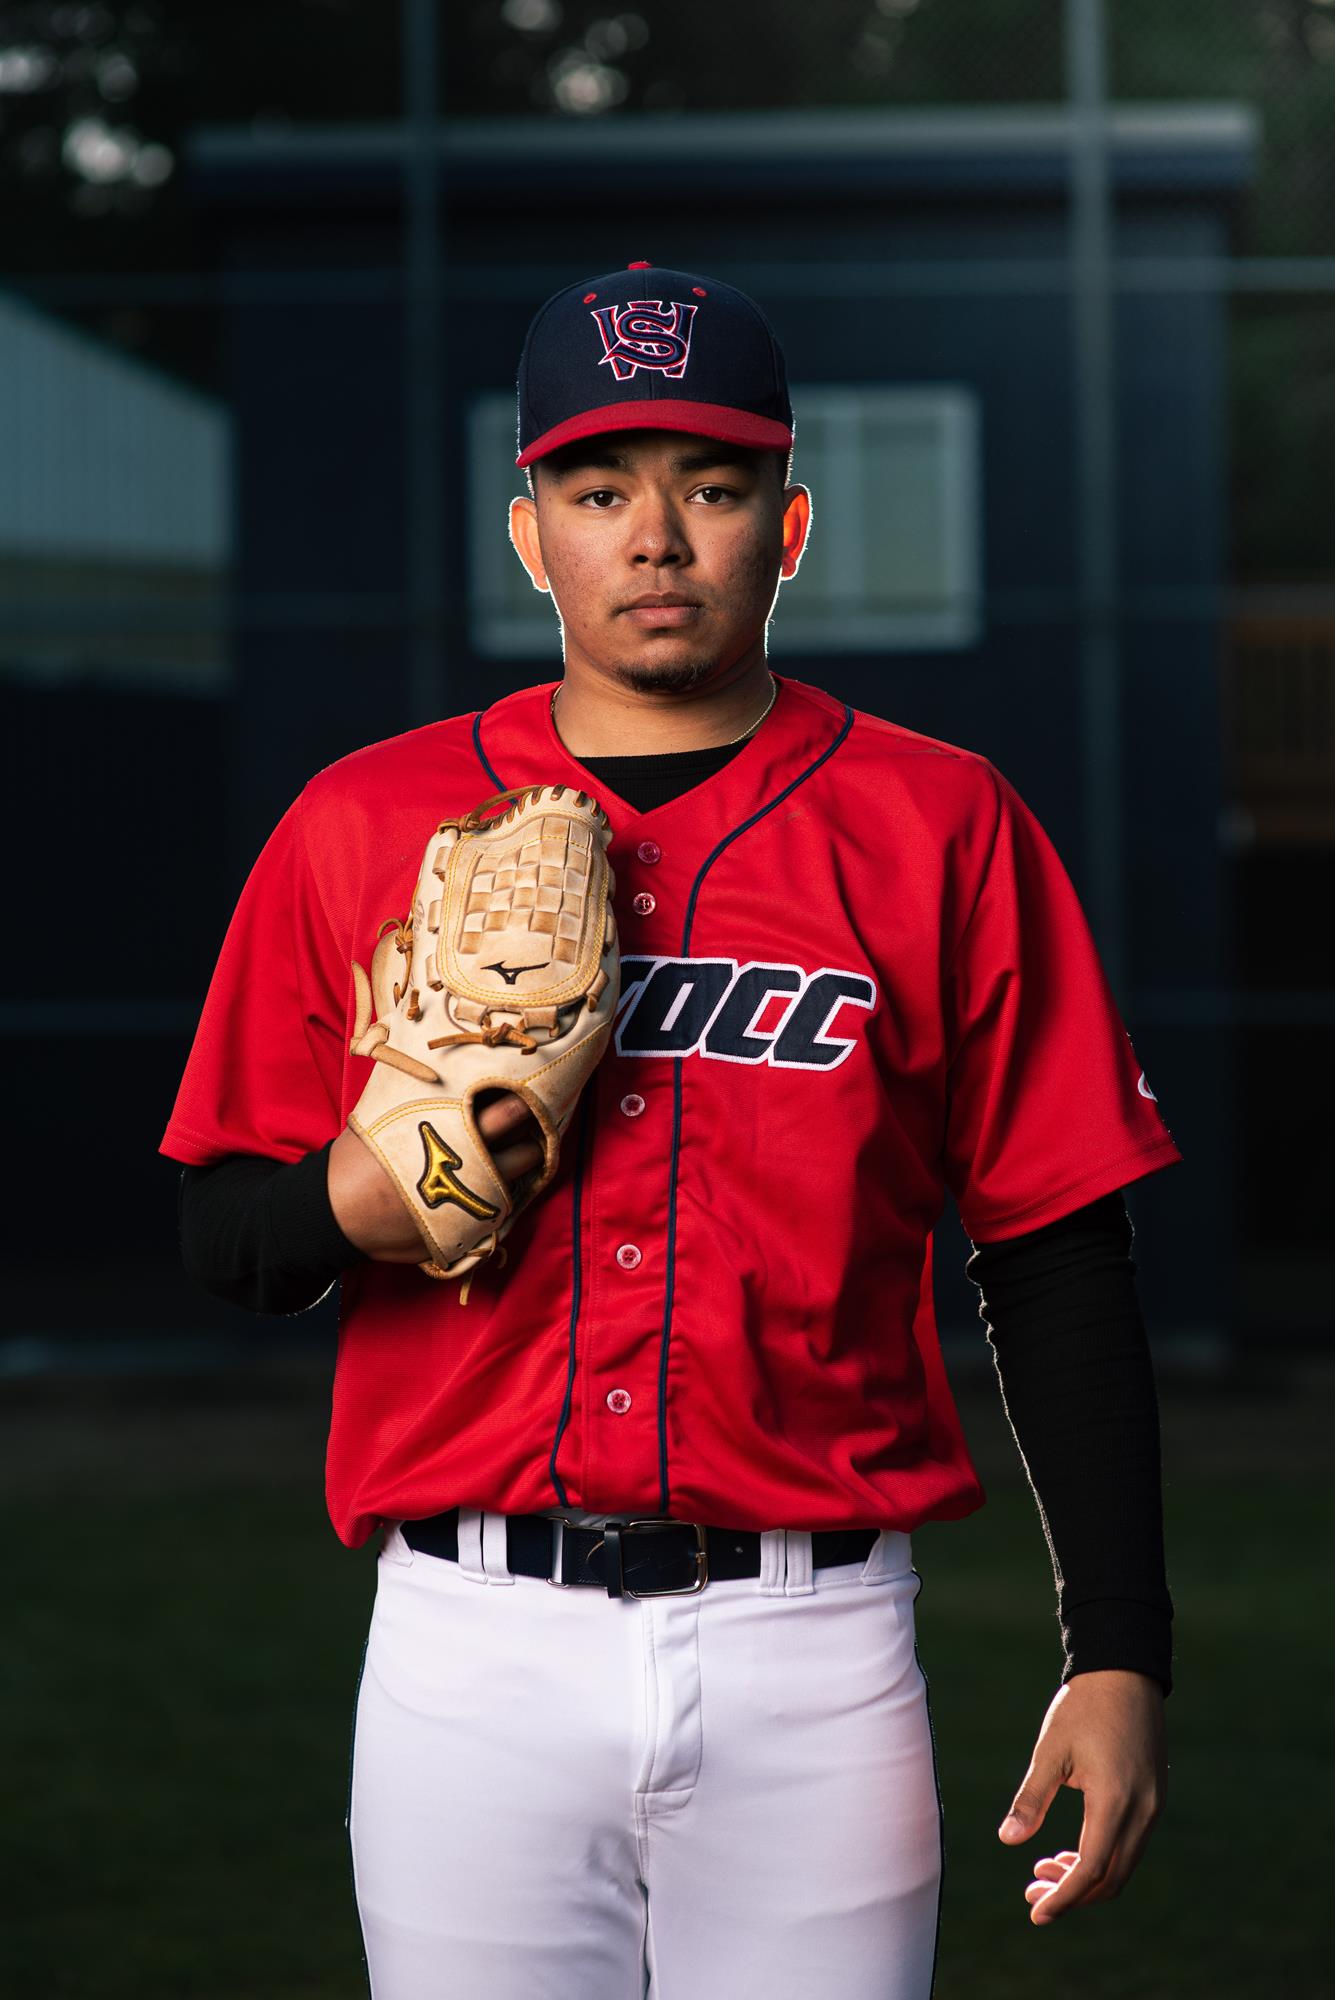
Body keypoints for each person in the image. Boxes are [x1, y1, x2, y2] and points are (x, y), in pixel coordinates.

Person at [163, 261, 1181, 2000]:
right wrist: (356, 1198)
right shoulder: (364, 823)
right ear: (526, 533)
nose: (655, 538)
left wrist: (1121, 1647)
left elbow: (1057, 1252)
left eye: (711, 487)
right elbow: (222, 1238)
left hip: (816, 1651)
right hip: (471, 1652)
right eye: (597, 489)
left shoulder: (942, 826)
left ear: (789, 528)